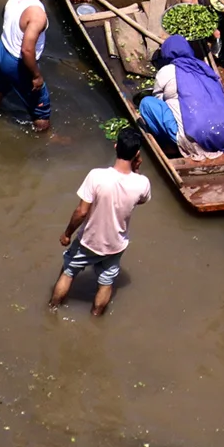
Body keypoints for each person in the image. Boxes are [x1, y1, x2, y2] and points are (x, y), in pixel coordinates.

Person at [52, 126, 153, 317]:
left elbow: (81, 212)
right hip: (116, 244)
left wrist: (67, 234)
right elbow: (141, 199)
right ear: (137, 154)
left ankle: (52, 309)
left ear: (116, 147)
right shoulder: (142, 183)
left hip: (89, 241)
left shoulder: (96, 176)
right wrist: (137, 170)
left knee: (68, 271)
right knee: (106, 283)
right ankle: (96, 318)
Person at [0, 0, 67, 133]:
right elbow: (27, 50)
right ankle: (45, 139)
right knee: (41, 110)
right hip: (18, 63)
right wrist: (36, 76)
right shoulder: (37, 14)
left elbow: (4, 15)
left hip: (2, 50)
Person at [137, 34, 224, 160]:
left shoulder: (167, 71)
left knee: (146, 104)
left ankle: (170, 146)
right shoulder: (204, 68)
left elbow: (158, 99)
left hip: (193, 139)